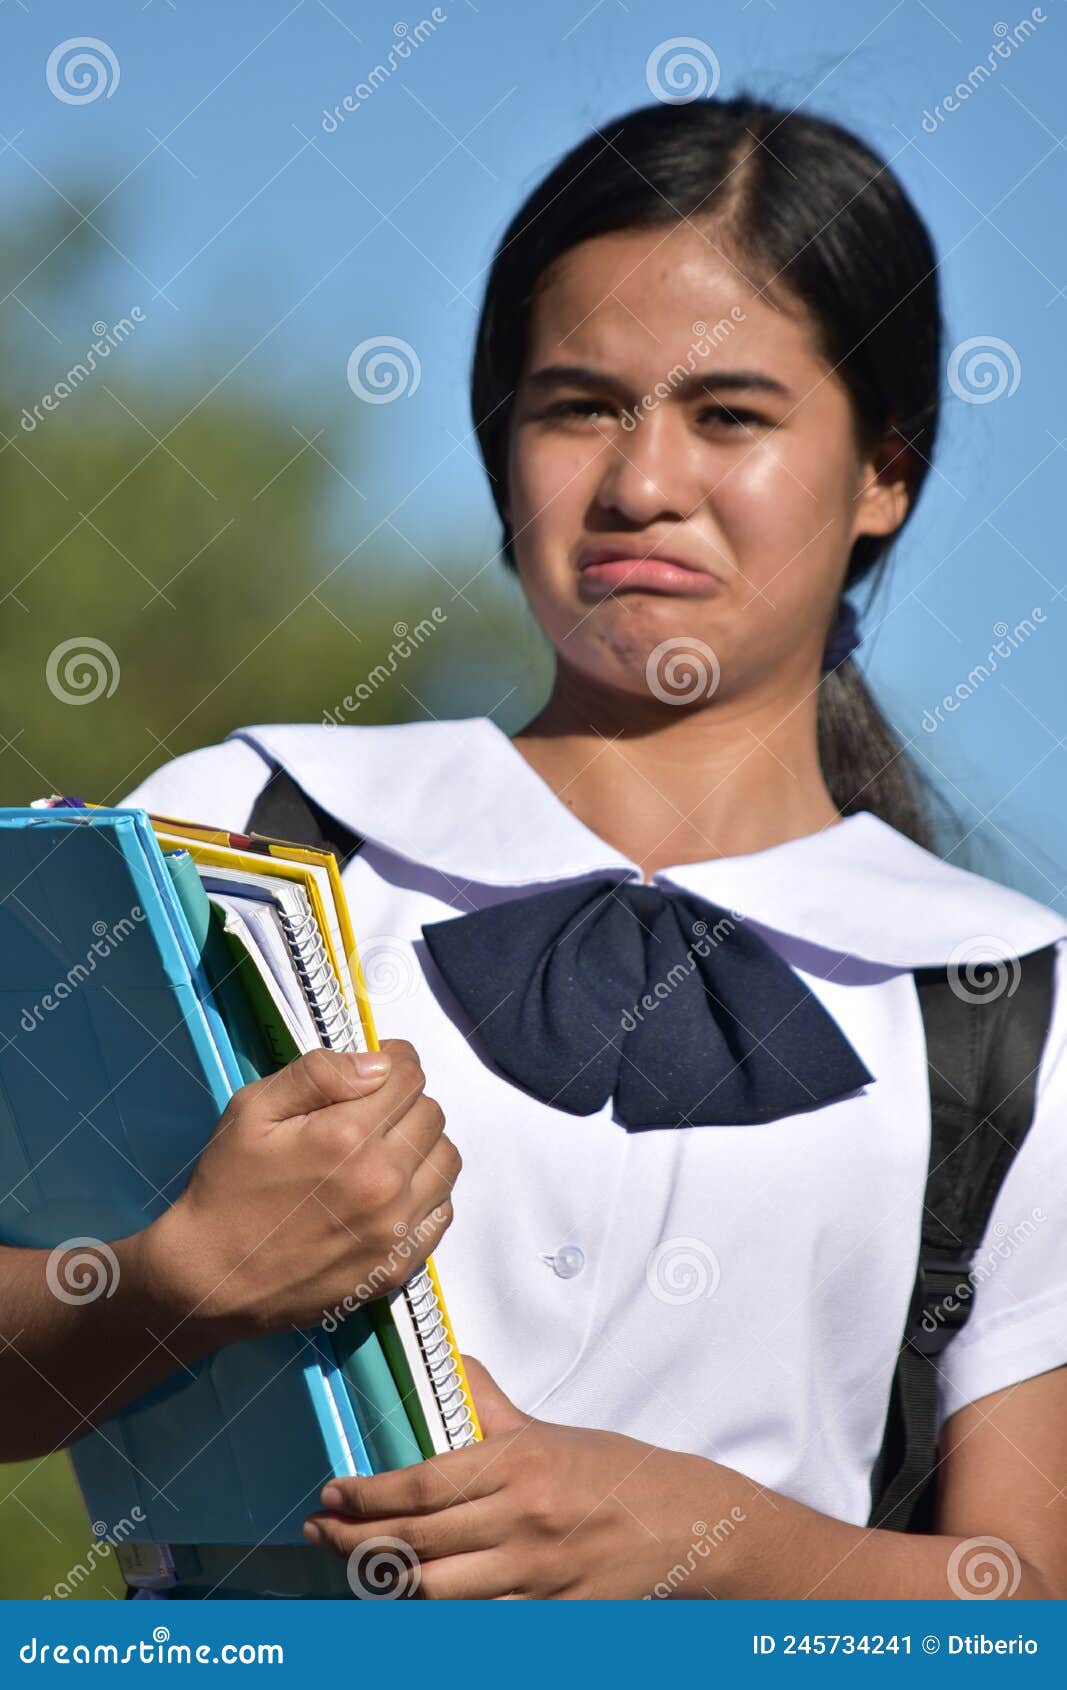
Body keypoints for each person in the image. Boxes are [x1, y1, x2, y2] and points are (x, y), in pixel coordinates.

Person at [6, 94, 1066, 1601]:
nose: (642, 483)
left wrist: (714, 1543)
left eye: (731, 415)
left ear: (885, 466)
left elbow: (1026, 1602)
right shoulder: (239, 826)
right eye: (578, 404)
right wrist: (174, 1279)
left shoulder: (1011, 996)